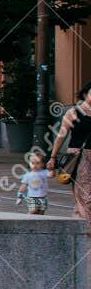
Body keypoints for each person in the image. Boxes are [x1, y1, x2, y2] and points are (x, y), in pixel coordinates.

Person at [47, 80, 91, 231]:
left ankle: (79, 226)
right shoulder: (73, 112)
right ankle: (87, 229)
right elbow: (61, 136)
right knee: (85, 194)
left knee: (83, 196)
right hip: (79, 157)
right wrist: (53, 157)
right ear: (85, 94)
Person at [18, 150, 51, 216]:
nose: (35, 165)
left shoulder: (44, 172)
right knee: (33, 211)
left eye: (37, 163)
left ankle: (36, 222)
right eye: (32, 163)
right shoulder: (28, 175)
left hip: (43, 197)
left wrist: (51, 168)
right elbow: (23, 186)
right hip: (32, 197)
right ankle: (26, 218)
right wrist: (20, 197)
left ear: (42, 164)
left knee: (41, 212)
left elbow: (52, 175)